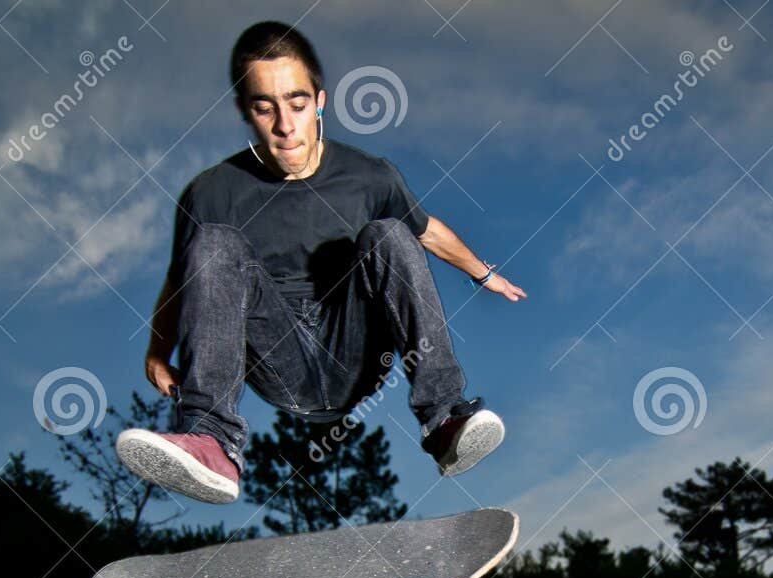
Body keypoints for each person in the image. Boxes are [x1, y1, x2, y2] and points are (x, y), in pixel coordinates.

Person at [117, 21, 525, 504]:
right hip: (277, 358)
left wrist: (484, 274)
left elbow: (427, 231)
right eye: (265, 108)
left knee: (388, 232)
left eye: (297, 104)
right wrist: (156, 353)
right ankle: (211, 442)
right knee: (213, 243)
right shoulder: (211, 193)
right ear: (246, 111)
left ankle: (443, 421)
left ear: (320, 102)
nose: (285, 127)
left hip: (354, 350)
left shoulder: (369, 177)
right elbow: (182, 280)